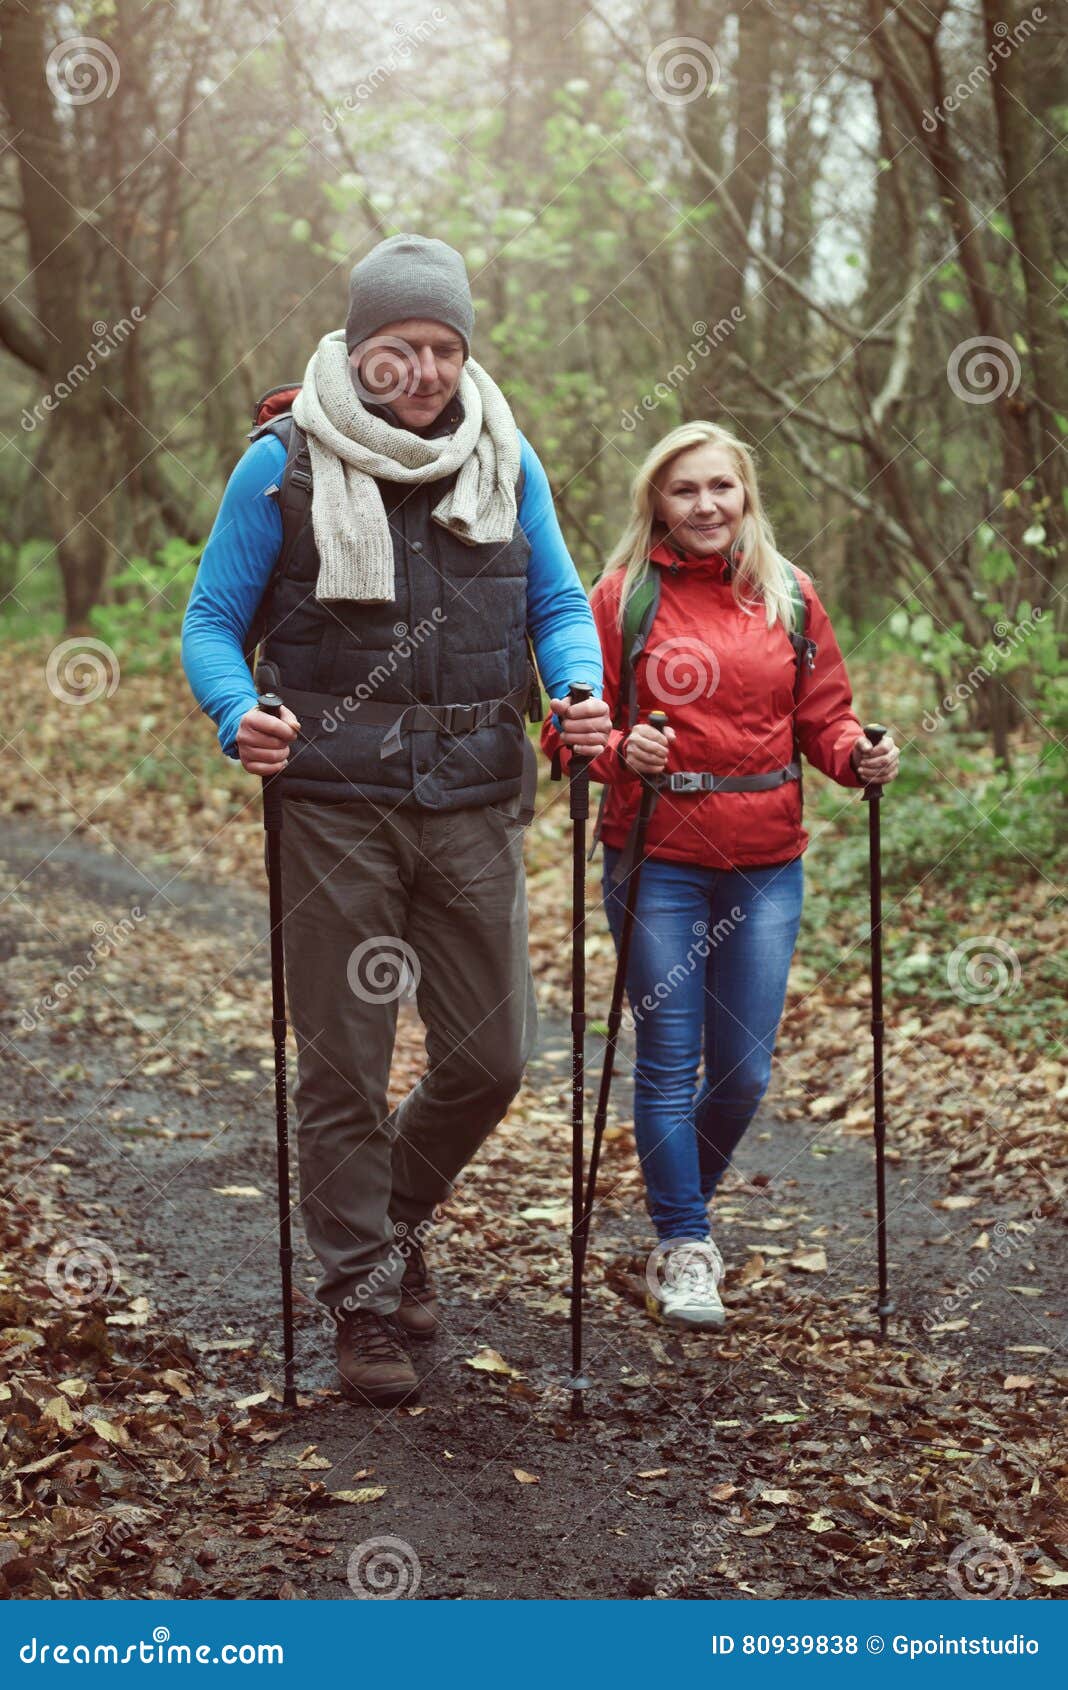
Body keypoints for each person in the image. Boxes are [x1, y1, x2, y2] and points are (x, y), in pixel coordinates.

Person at [182, 234, 610, 1406]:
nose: (419, 372)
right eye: (395, 349)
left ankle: (396, 1216)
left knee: (493, 1055)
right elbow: (212, 623)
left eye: (439, 347)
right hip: (333, 805)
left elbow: (560, 601)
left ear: (464, 349)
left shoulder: (506, 459)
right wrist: (239, 712)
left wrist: (579, 689)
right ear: (355, 348)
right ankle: (361, 1296)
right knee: (345, 1061)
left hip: (474, 793)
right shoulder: (281, 465)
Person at [542, 421, 900, 1330]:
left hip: (766, 861)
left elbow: (824, 719)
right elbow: (565, 732)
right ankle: (685, 1244)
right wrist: (624, 748)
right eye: (684, 491)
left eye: (721, 489)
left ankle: (676, 1207)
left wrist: (857, 755)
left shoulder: (788, 594)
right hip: (656, 856)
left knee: (742, 1074)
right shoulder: (623, 597)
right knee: (668, 1062)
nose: (705, 506)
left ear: (747, 497)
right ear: (655, 503)